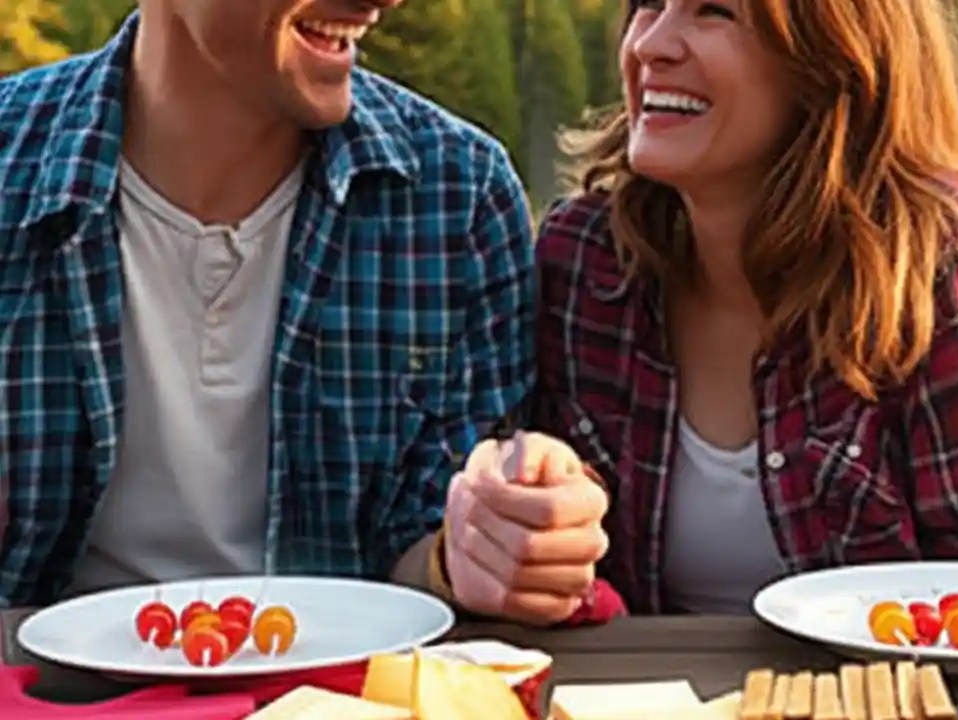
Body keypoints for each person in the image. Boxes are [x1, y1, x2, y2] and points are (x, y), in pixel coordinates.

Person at [434, 0, 958, 624]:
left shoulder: (950, 257)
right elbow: (565, 595)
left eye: (713, 12)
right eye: (647, 4)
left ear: (831, 57)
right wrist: (533, 522)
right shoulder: (584, 257)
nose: (652, 44)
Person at [0, 0, 563, 608]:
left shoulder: (460, 197)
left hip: (339, 693)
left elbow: (422, 538)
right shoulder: (13, 164)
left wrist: (478, 546)